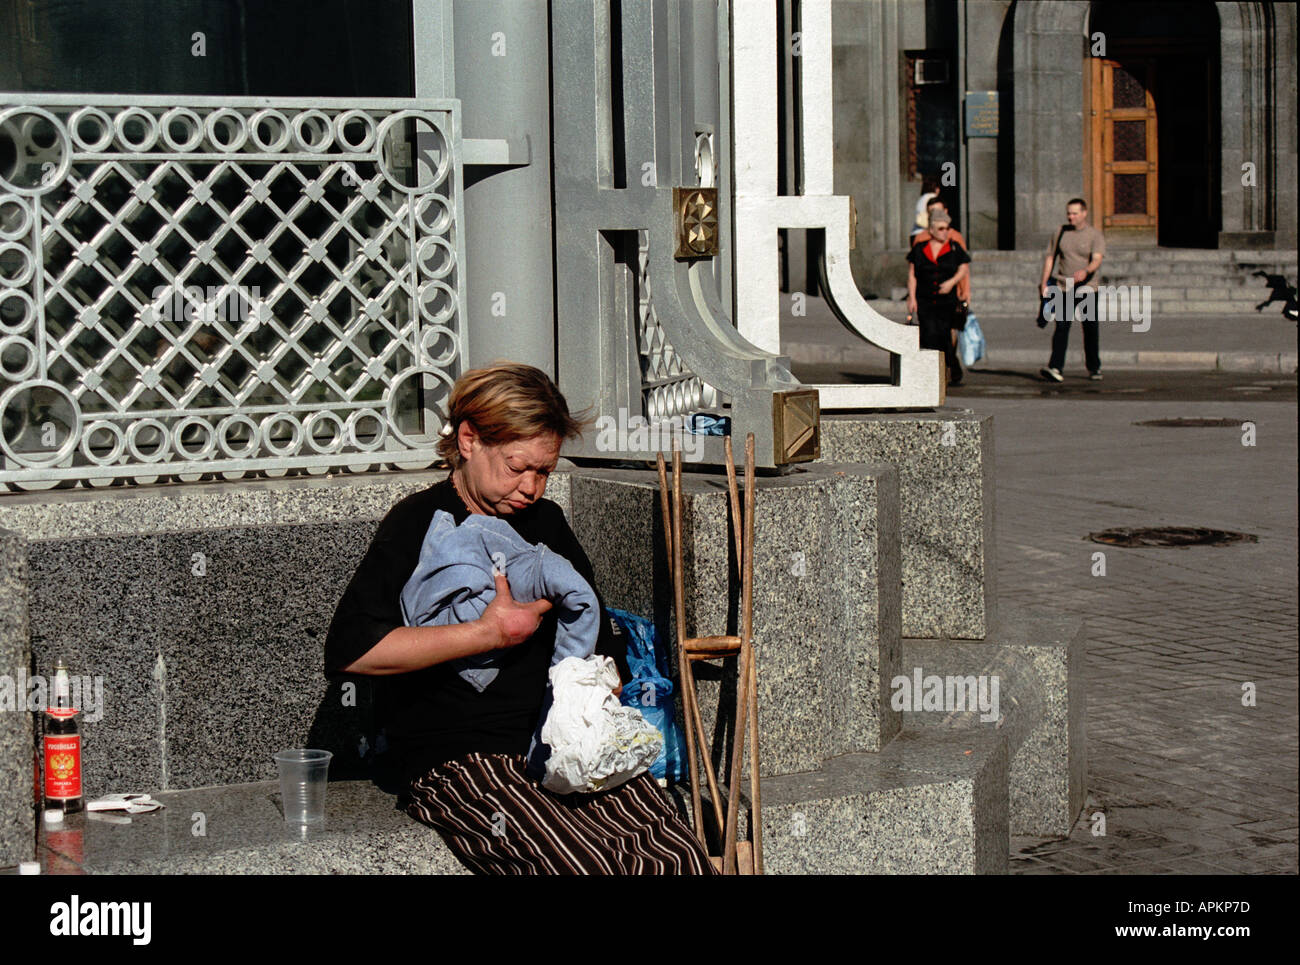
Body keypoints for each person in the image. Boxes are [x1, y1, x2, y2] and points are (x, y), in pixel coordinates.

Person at [324, 362, 715, 875]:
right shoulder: (418, 524)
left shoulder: (545, 523)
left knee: (673, 853)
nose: (532, 486)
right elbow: (352, 652)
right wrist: (487, 633)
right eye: (517, 467)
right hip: (461, 756)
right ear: (468, 440)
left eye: (545, 471)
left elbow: (594, 634)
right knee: (581, 864)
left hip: (560, 741)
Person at [1038, 198, 1106, 382]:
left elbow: (1097, 259)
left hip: (1087, 289)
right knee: (1061, 327)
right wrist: (1044, 283)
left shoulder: (1094, 235)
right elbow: (1050, 258)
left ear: (1084, 213)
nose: (1071, 217)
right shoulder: (1060, 232)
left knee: (1090, 328)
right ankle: (1055, 367)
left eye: (1075, 213)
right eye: (1069, 213)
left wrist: (1086, 271)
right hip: (1063, 287)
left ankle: (1094, 367)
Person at [907, 209, 971, 386]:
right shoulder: (921, 248)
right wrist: (911, 298)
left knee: (943, 335)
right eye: (941, 228)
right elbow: (912, 274)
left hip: (946, 300)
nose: (945, 232)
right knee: (927, 335)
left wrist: (952, 283)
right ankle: (929, 374)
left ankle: (952, 369)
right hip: (925, 299)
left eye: (947, 228)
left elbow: (964, 268)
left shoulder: (953, 247)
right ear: (932, 230)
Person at [913, 203, 972, 306]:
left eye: (938, 211)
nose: (935, 214)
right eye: (931, 211)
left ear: (945, 211)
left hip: (950, 295)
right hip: (925, 297)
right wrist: (912, 296)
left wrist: (965, 291)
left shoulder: (955, 238)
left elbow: (963, 267)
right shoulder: (920, 239)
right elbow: (913, 272)